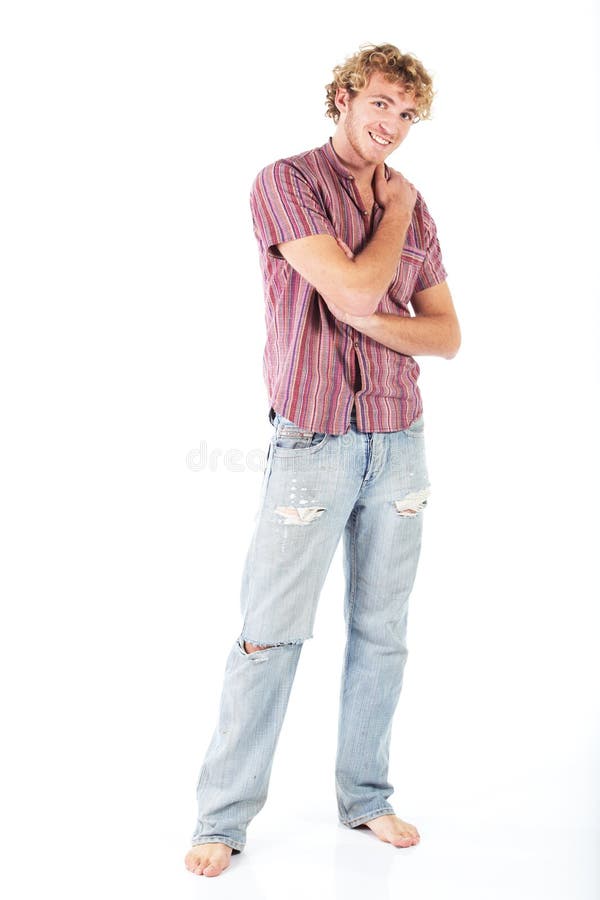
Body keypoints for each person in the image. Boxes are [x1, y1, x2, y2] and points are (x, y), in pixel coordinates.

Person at [185, 42, 461, 878]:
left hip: (399, 438)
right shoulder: (288, 183)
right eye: (381, 103)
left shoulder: (414, 203)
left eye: (407, 114)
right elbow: (346, 290)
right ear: (343, 96)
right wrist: (392, 227)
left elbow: (446, 335)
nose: (393, 125)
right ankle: (223, 817)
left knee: (383, 634)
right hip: (313, 440)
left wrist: (372, 312)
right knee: (269, 635)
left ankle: (366, 798)